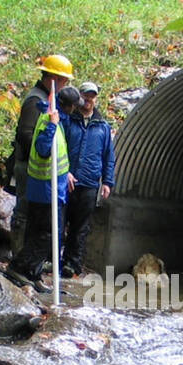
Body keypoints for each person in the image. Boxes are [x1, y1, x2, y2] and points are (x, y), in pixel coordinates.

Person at [5, 85, 80, 292]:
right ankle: (19, 267)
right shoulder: (49, 121)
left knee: (43, 232)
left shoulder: (55, 117)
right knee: (46, 235)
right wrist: (52, 126)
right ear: (70, 106)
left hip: (51, 187)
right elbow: (43, 148)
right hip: (45, 189)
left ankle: (34, 275)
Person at [10, 54, 73, 253]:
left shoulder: (47, 100)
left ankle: (27, 258)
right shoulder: (35, 101)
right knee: (24, 213)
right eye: (64, 81)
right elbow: (25, 135)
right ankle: (18, 254)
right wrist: (43, 156)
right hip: (30, 168)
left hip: (37, 169)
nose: (65, 85)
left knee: (35, 216)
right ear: (54, 79)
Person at [58, 81, 115, 277]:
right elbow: (59, 147)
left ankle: (72, 265)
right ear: (79, 97)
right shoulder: (67, 120)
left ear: (95, 98)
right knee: (60, 223)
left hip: (89, 184)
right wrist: (63, 172)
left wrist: (107, 182)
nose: (88, 99)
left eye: (92, 96)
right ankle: (53, 260)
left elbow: (108, 156)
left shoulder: (102, 127)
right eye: (85, 95)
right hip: (67, 181)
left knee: (80, 228)